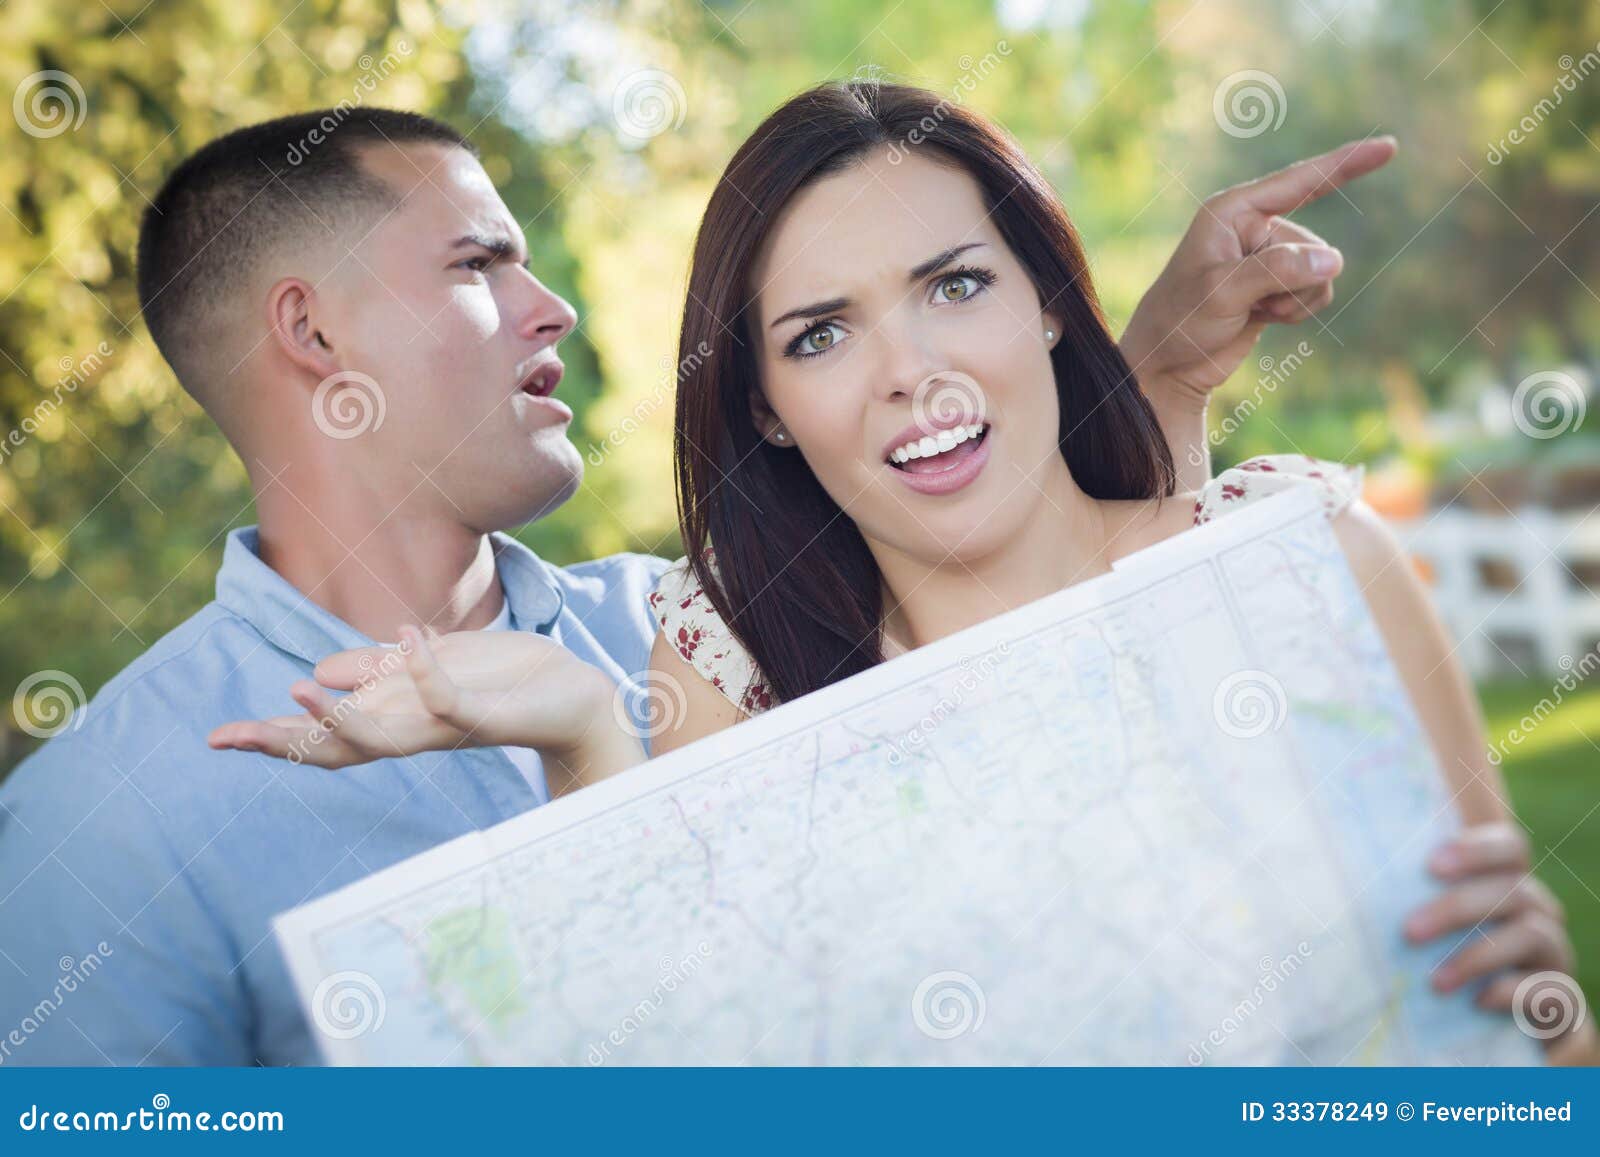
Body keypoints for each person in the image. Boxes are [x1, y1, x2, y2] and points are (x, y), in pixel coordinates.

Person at [245, 82, 1593, 1064]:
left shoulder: (1311, 564)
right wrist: (581, 727)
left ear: (1046, 299)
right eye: (820, 335)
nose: (910, 372)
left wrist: (1549, 1028)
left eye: (953, 285)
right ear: (767, 405)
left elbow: (1515, 1065)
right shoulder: (730, 671)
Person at [0, 98, 1331, 1066]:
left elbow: (1060, 681)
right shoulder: (98, 826)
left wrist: (1147, 381)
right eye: (478, 264)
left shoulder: (711, 628)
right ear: (311, 331)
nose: (553, 306)